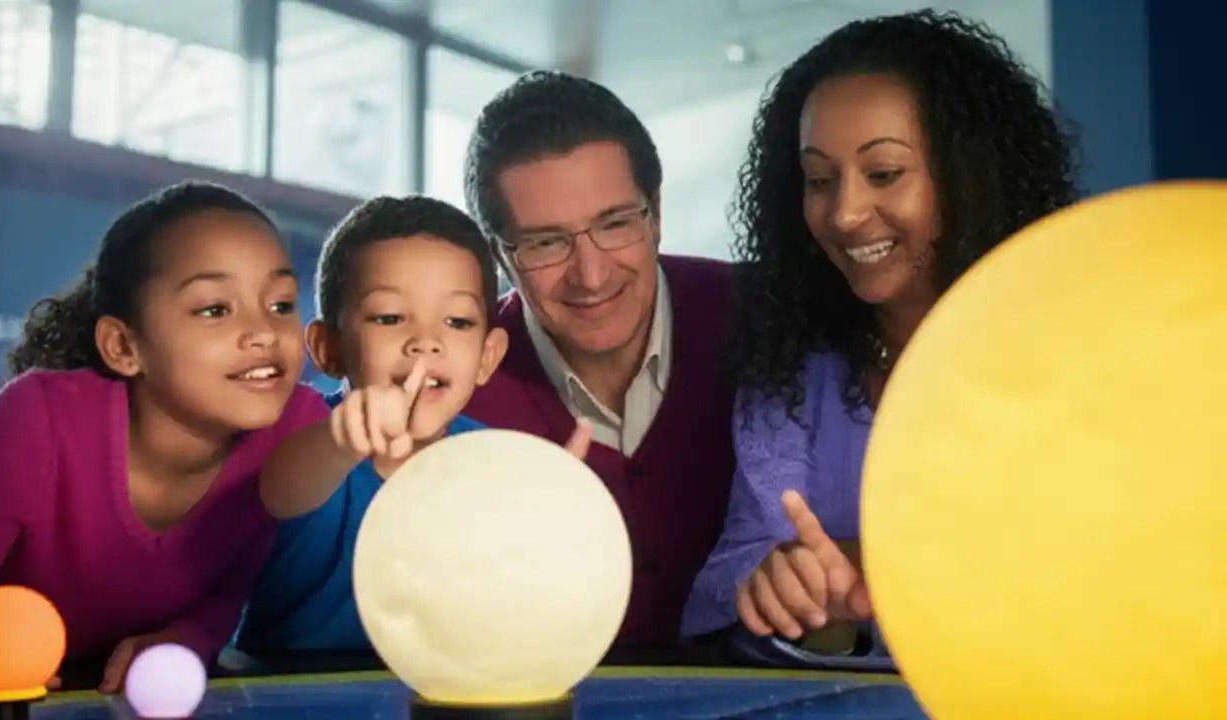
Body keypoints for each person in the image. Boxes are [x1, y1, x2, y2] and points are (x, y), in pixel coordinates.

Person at [682, 9, 1078, 660]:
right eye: (819, 180)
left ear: (968, 176)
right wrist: (803, 599)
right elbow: (737, 582)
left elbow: (1072, 579)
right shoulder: (789, 369)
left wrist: (866, 564)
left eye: (884, 172)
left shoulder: (1073, 356)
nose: (845, 212)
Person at [0, 181, 328, 693]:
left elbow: (230, 588)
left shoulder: (294, 424)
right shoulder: (38, 416)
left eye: (281, 304)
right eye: (215, 309)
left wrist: (185, 639)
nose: (264, 332)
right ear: (124, 346)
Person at [236, 195, 591, 652]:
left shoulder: (495, 466)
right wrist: (339, 444)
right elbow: (280, 489)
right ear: (328, 348)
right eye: (389, 317)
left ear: (488, 357)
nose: (426, 342)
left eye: (457, 321)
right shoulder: (299, 430)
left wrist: (548, 520)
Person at [460, 71, 738, 651]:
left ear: (655, 212)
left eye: (615, 224)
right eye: (544, 242)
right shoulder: (458, 383)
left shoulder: (764, 322)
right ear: (499, 255)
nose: (591, 275)